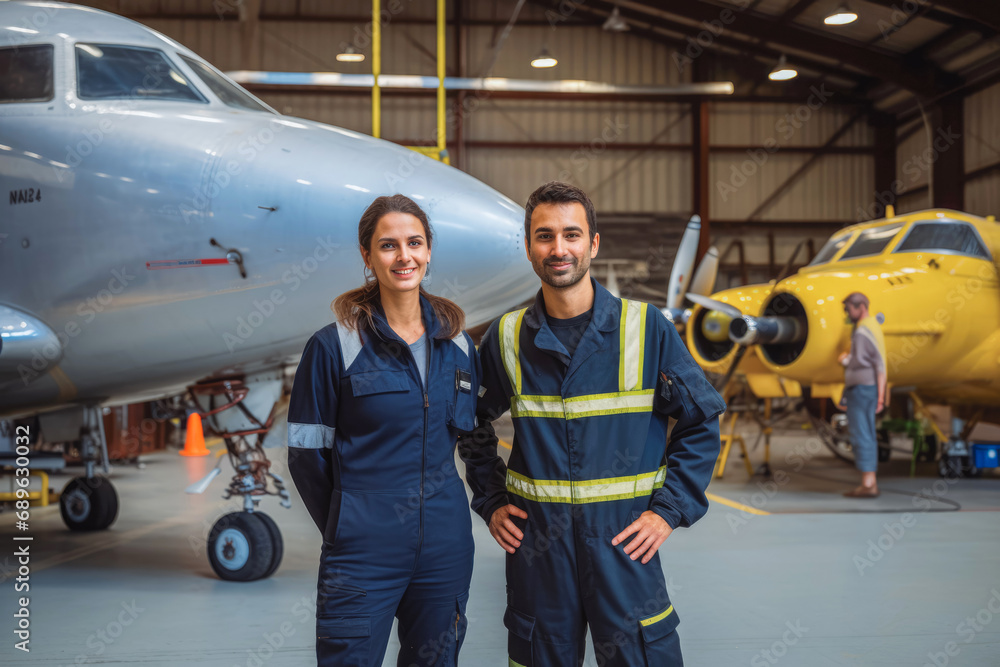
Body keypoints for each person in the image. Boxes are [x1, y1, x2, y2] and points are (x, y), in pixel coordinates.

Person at [458, 182, 726, 666]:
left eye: (571, 234)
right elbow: (471, 422)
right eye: (544, 236)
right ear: (528, 247)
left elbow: (701, 420)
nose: (558, 249)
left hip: (625, 548)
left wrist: (668, 510)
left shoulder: (647, 329)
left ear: (593, 244)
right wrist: (492, 499)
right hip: (538, 552)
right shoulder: (507, 336)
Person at [287, 194, 478, 666]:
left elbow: (468, 436)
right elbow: (305, 454)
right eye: (388, 245)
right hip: (361, 551)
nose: (403, 256)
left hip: (444, 546)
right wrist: (347, 523)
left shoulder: (458, 345)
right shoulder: (334, 345)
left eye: (414, 243)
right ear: (367, 256)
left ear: (429, 250)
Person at [838, 291, 887, 498]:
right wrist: (882, 395)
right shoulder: (873, 326)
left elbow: (860, 362)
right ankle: (870, 481)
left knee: (861, 434)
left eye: (849, 309)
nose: (847, 314)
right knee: (866, 432)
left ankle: (868, 484)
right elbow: (881, 365)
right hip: (869, 389)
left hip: (861, 390)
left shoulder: (862, 331)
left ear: (860, 307)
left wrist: (844, 360)